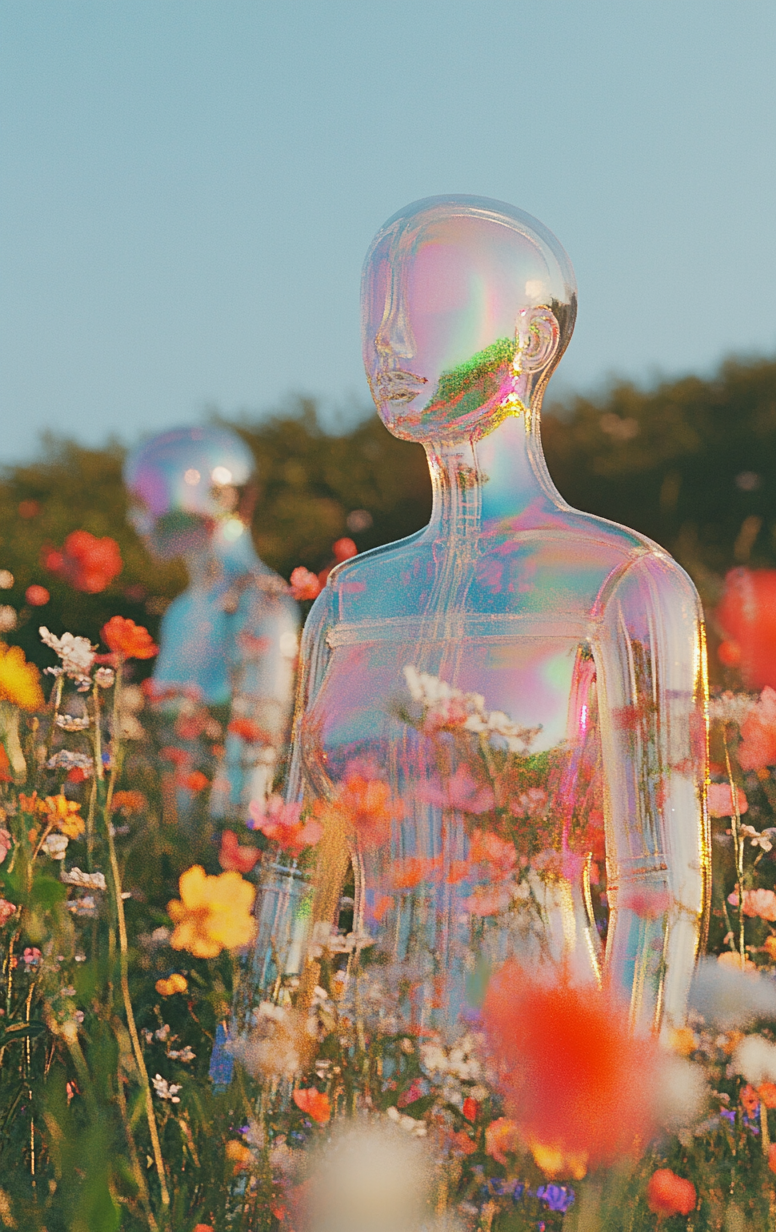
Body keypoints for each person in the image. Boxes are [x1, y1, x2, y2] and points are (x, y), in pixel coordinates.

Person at [272, 195, 709, 1035]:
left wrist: (615, 1120)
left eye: (427, 309)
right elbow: (297, 876)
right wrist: (246, 1093)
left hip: (538, 1070)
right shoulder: (350, 602)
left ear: (534, 339)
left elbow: (659, 884)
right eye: (375, 315)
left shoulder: (622, 583)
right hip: (362, 1082)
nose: (386, 342)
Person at [124, 426, 299, 825]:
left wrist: (234, 836)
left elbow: (260, 738)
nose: (135, 518)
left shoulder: (261, 602)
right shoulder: (181, 613)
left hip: (230, 840)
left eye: (144, 498)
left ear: (215, 495)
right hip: (171, 840)